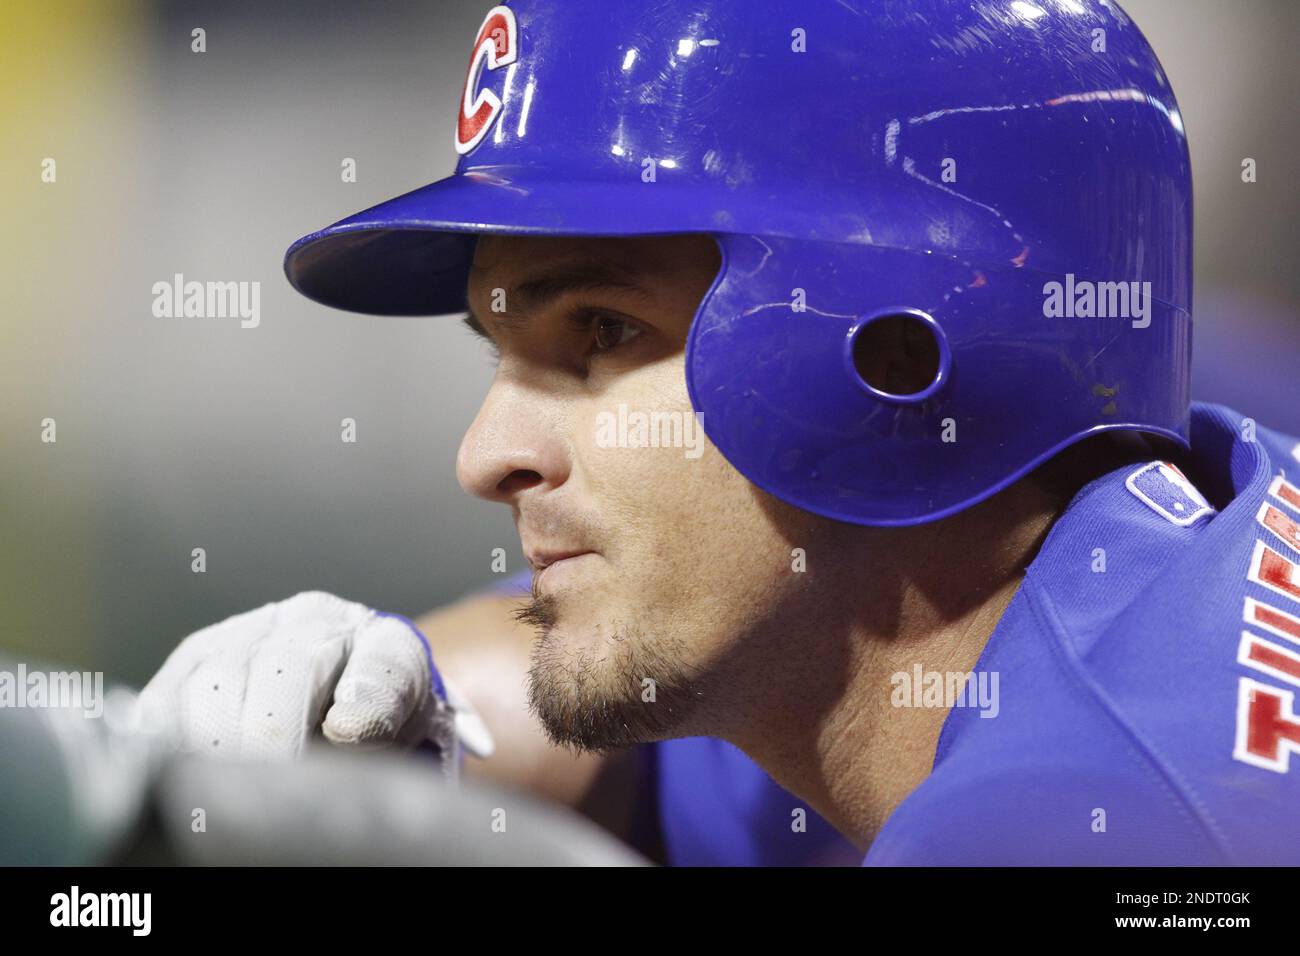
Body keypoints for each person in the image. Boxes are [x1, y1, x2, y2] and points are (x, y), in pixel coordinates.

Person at [142, 0, 1300, 864]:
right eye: (500, 352)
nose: (484, 455)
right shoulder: (1016, 589)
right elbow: (552, 718)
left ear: (895, 356)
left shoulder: (1117, 827)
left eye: (601, 331)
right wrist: (381, 700)